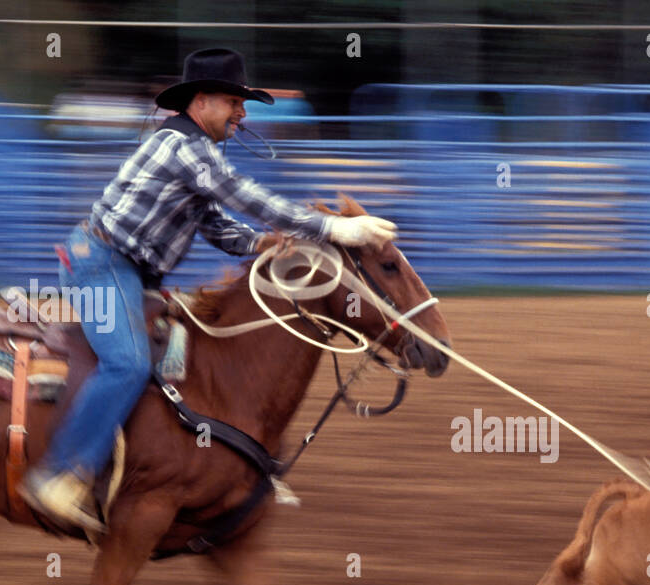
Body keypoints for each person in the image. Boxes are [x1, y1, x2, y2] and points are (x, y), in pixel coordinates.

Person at [20, 48, 395, 533]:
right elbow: (243, 195)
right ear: (201, 102)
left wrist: (259, 241)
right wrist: (331, 229)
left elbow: (217, 222)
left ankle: (201, 464)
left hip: (128, 271)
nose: (242, 112)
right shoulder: (183, 148)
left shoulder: (199, 151)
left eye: (243, 103)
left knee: (188, 355)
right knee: (128, 362)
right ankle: (59, 476)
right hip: (102, 265)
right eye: (233, 101)